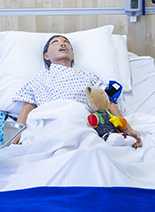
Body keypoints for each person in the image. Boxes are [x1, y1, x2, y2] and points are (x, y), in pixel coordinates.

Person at [13, 35, 142, 147]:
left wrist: (128, 129)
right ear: (46, 56)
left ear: (72, 55)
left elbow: (106, 103)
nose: (62, 44)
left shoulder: (88, 76)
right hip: (53, 121)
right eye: (55, 42)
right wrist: (15, 134)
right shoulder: (41, 77)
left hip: (83, 122)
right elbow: (28, 105)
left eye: (66, 42)